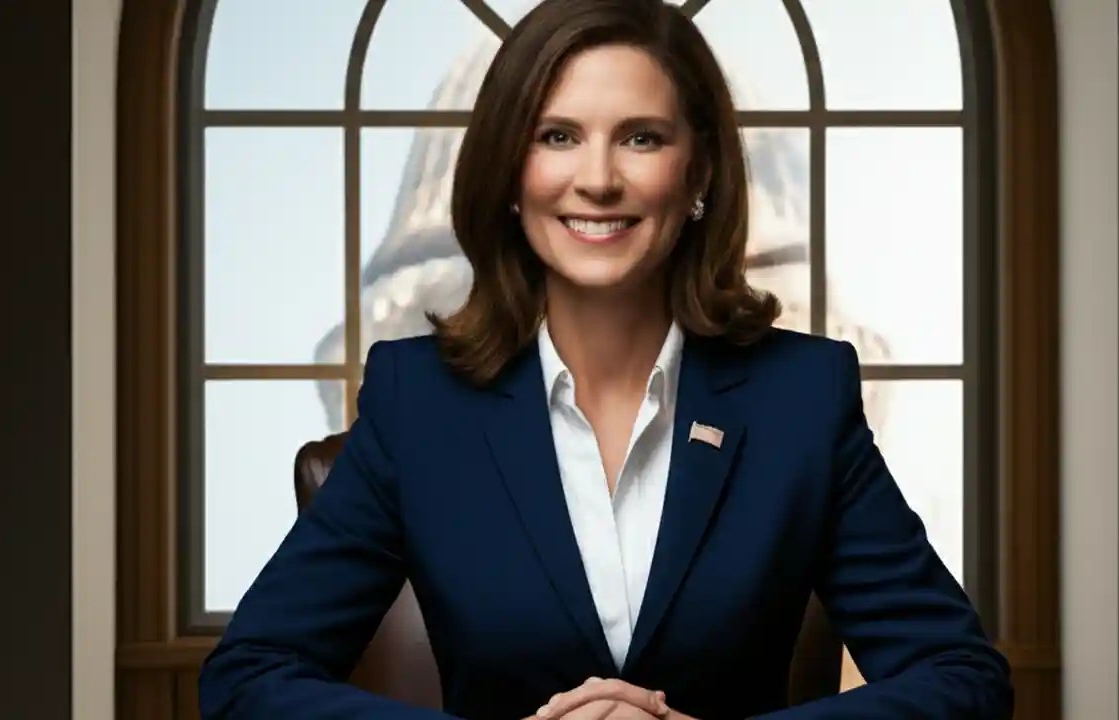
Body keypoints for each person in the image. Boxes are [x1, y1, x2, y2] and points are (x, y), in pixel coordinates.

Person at [198, 0, 1013, 718]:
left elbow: (962, 677)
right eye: (557, 136)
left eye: (641, 138)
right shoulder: (419, 403)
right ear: (510, 173)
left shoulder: (800, 397)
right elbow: (249, 677)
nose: (597, 179)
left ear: (697, 171)